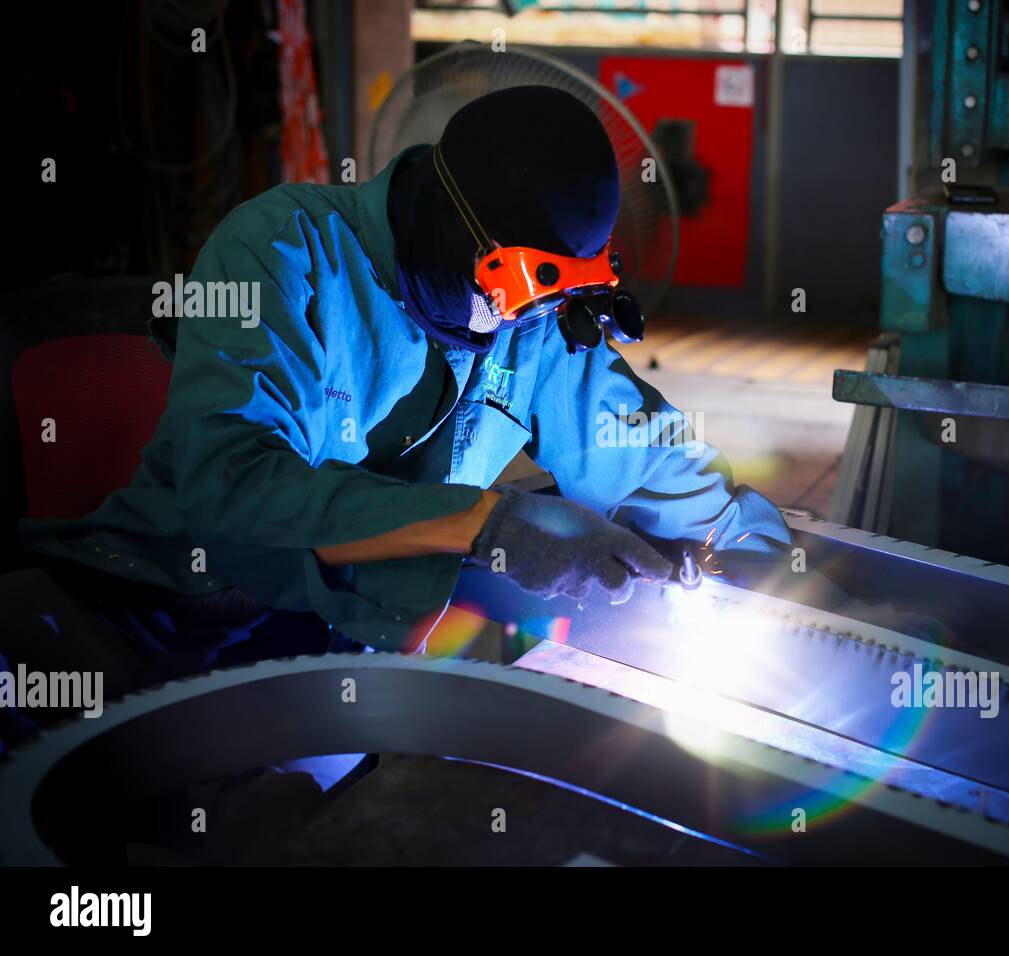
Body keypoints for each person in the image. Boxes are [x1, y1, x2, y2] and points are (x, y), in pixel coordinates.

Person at [16, 86, 790, 676]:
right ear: (447, 223)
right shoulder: (281, 251)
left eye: (547, 302)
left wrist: (764, 559)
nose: (518, 326)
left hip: (337, 643)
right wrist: (484, 525)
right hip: (156, 607)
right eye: (508, 292)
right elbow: (232, 490)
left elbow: (645, 455)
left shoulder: (535, 322)